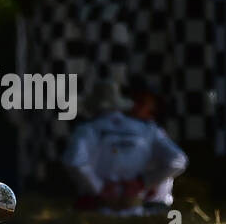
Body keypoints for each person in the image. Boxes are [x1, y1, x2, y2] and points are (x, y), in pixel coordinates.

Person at [61, 80, 187, 215]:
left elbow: (74, 162)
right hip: (141, 209)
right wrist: (142, 183)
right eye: (136, 102)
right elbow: (178, 160)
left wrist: (99, 188)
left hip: (105, 209)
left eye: (141, 103)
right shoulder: (149, 131)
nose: (136, 108)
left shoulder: (88, 130)